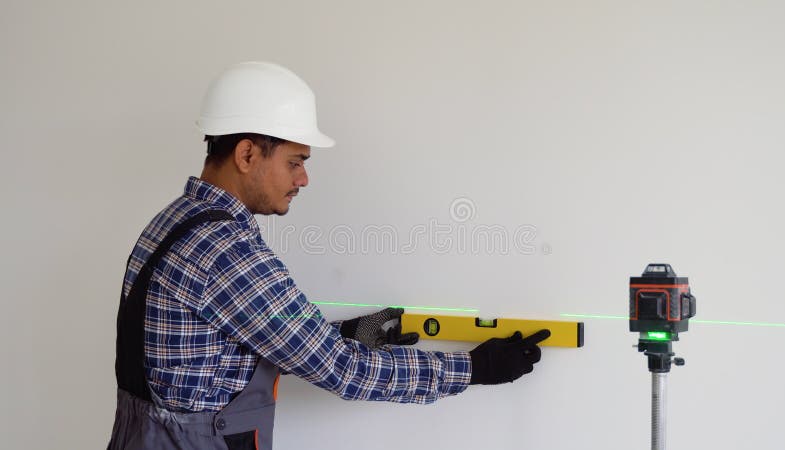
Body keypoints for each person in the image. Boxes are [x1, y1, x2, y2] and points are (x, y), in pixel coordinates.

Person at [108, 61, 551, 450]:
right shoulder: (228, 252)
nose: (303, 179)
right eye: (295, 161)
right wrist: (472, 368)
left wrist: (349, 332)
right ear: (247, 154)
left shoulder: (173, 221)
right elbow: (342, 372)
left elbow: (230, 346)